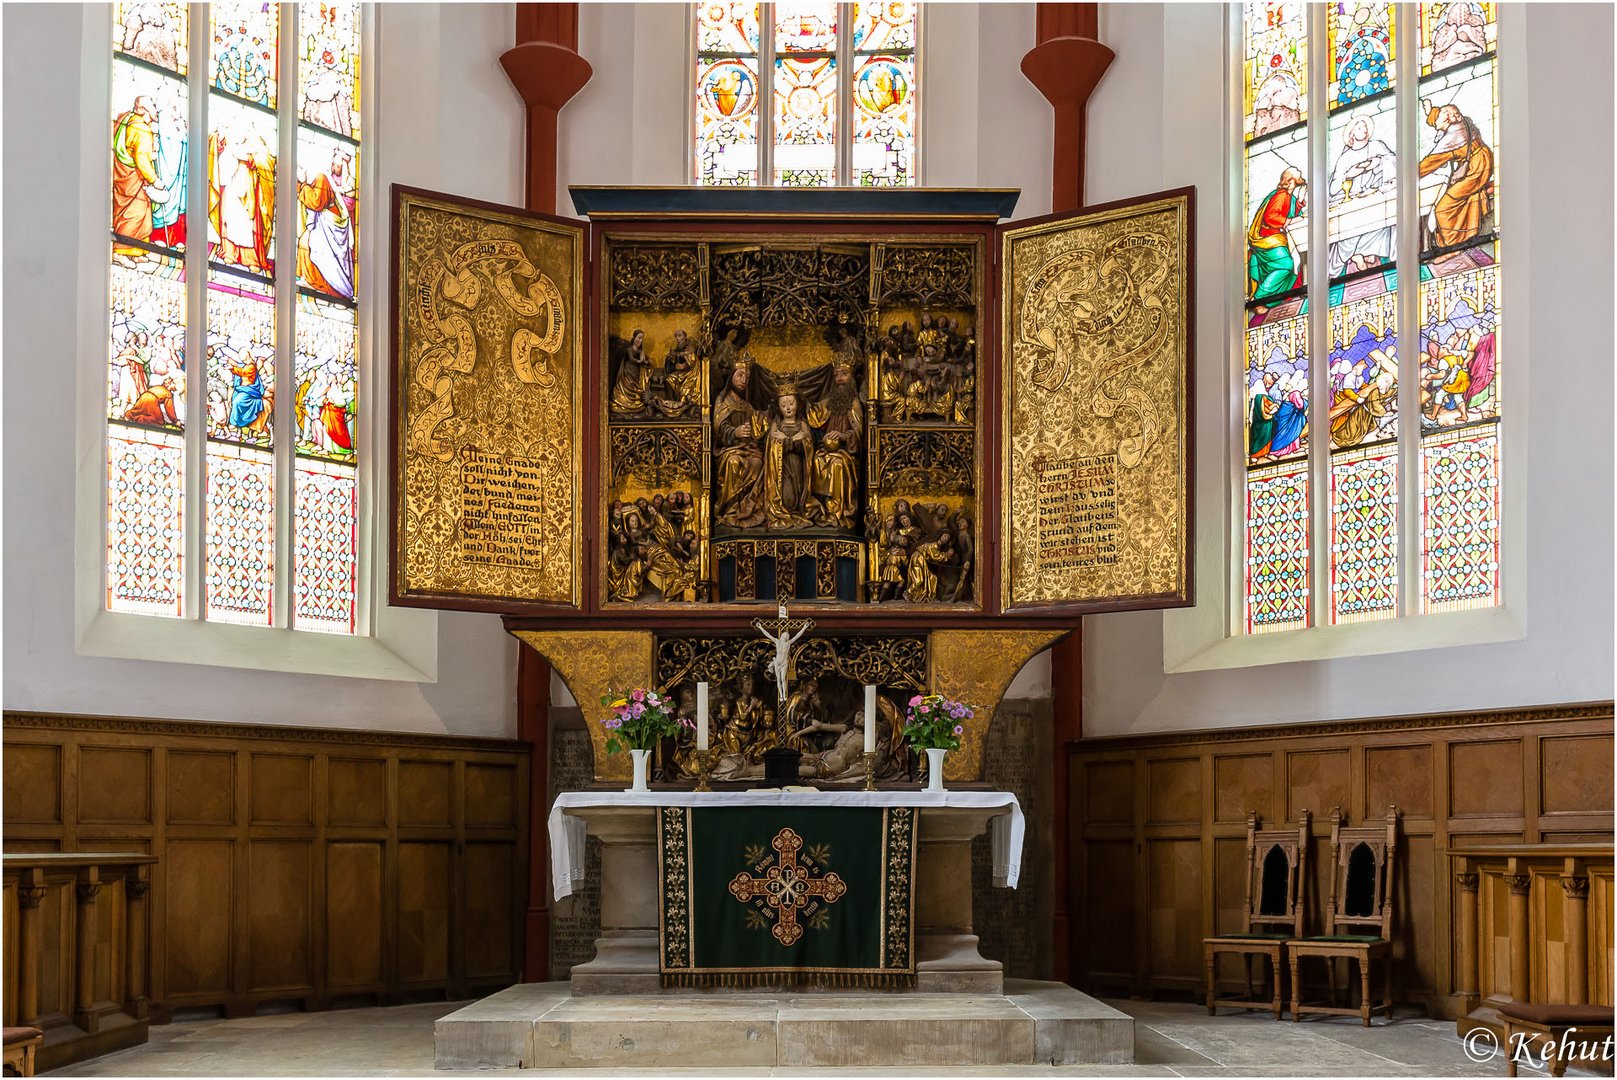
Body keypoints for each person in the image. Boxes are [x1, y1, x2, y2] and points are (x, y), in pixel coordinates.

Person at [1327, 116, 1397, 277]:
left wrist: (1379, 163)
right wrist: (1349, 174)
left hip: (1375, 193)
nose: (1364, 129)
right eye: (1359, 127)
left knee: (1384, 216)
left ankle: (1370, 250)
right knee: (1350, 224)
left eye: (1365, 126)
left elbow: (1395, 161)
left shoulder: (1377, 146)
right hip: (1351, 198)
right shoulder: (1345, 158)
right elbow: (1333, 189)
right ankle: (1356, 255)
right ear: (1351, 134)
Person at [1418, 102, 1494, 249]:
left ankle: (1453, 247)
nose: (1434, 124)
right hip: (1476, 163)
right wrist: (1430, 111)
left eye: (1437, 119)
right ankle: (1454, 241)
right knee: (1463, 197)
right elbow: (1438, 119)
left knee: (1443, 208)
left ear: (1447, 119)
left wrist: (1407, 175)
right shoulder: (1457, 125)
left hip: (1477, 167)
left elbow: (1430, 163)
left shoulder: (1453, 137)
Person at [808, 361, 863, 529]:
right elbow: (814, 413)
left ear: (852, 378)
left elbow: (859, 432)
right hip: (826, 449)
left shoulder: (854, 403)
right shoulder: (829, 402)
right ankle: (824, 510)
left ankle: (839, 512)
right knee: (816, 460)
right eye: (836, 375)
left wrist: (843, 436)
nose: (839, 379)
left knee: (837, 465)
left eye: (844, 374)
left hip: (846, 452)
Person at [714, 358, 767, 528]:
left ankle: (747, 509)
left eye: (747, 377)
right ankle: (729, 509)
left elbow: (757, 426)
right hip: (729, 449)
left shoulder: (747, 405)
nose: (743, 380)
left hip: (747, 449)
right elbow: (718, 430)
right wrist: (734, 433)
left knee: (758, 462)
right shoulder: (723, 402)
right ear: (731, 377)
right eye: (740, 375)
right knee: (733, 462)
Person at [297, 147, 356, 297]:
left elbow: (317, 202)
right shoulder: (324, 178)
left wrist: (303, 186)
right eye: (333, 164)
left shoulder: (323, 179)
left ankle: (329, 287)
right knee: (305, 244)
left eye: (337, 166)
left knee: (321, 255)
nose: (333, 167)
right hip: (325, 223)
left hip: (330, 225)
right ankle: (312, 280)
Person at [112, 96, 161, 257]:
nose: (156, 109)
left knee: (142, 213)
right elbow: (142, 159)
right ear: (145, 110)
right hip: (134, 178)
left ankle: (136, 250)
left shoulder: (128, 119)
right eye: (153, 105)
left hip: (123, 174)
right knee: (135, 213)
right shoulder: (142, 130)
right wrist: (154, 180)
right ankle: (120, 251)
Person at [762, 386, 818, 529]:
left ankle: (798, 511)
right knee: (787, 495)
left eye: (791, 404)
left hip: (798, 465)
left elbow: (808, 447)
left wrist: (787, 440)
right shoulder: (776, 425)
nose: (788, 408)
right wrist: (792, 440)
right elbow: (772, 448)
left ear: (798, 405)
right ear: (778, 407)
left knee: (797, 492)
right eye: (783, 405)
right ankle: (785, 511)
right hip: (782, 468)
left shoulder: (802, 425)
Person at [1248, 167, 1306, 302]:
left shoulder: (1288, 197)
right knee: (1286, 264)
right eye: (1297, 180)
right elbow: (1270, 217)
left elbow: (1290, 213)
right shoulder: (1281, 195)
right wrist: (1290, 220)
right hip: (1268, 239)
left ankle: (1281, 294)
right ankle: (1259, 299)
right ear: (1291, 181)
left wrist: (1299, 202)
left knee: (1294, 259)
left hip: (1276, 238)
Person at [609, 329, 652, 415]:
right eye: (639, 338)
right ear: (634, 337)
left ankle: (634, 402)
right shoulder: (629, 349)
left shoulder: (640, 351)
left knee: (635, 385)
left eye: (642, 339)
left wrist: (647, 362)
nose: (640, 340)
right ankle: (625, 401)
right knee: (628, 384)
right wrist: (639, 361)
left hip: (636, 371)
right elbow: (632, 359)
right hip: (627, 370)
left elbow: (643, 359)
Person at [905, 531, 956, 603]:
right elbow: (935, 557)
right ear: (940, 536)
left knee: (932, 578)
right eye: (945, 536)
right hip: (918, 558)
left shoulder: (938, 546)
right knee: (919, 580)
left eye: (948, 538)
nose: (946, 539)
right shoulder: (934, 545)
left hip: (922, 560)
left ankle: (930, 597)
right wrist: (947, 555)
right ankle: (908, 593)